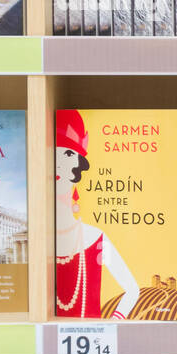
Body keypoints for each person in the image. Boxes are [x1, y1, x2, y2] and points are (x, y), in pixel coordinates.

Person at [54, 110, 140, 319]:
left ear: (78, 167)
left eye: (67, 154)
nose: (58, 163)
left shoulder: (95, 238)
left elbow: (132, 289)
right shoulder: (40, 239)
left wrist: (114, 322)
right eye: (53, 154)